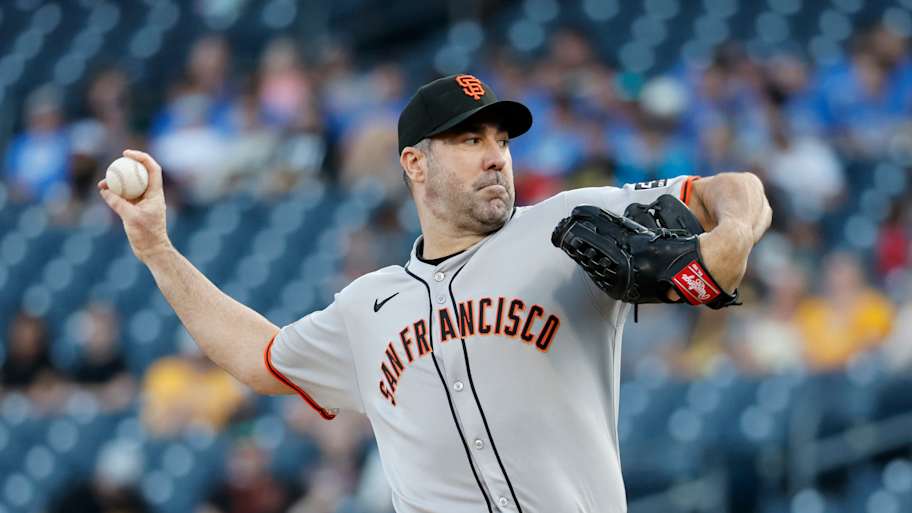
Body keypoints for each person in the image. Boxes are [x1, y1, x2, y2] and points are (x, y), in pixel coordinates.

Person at [98, 74, 771, 513]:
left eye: (501, 139)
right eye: (469, 138)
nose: (495, 154)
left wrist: (733, 231)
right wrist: (157, 247)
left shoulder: (564, 225)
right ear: (415, 163)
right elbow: (258, 357)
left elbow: (728, 187)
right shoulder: (367, 307)